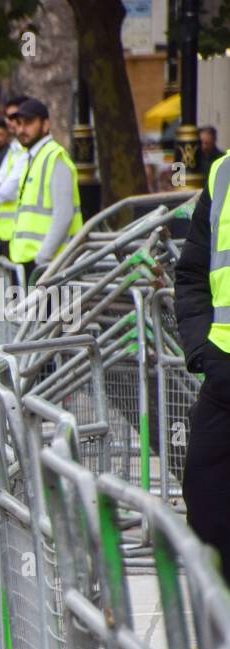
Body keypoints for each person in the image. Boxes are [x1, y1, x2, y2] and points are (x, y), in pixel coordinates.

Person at [176, 150, 230, 571]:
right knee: (206, 503)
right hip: (224, 377)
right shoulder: (223, 169)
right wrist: (201, 348)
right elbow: (192, 274)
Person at [9, 98, 81, 270]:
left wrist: (42, 257)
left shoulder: (55, 157)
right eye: (18, 124)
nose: (21, 129)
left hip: (49, 264)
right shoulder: (31, 158)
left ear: (46, 125)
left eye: (28, 123)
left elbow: (63, 215)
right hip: (29, 260)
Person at [0, 96, 30, 259]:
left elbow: (6, 191)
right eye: (8, 117)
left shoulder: (26, 151)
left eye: (15, 116)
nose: (11, 122)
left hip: (20, 234)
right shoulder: (12, 149)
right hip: (4, 233)